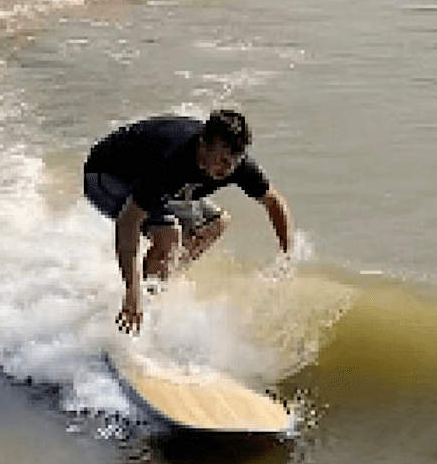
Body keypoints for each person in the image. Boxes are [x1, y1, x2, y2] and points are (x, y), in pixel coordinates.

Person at [83, 108, 294, 334]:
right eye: (222, 160)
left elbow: (273, 202)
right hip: (106, 174)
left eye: (234, 160)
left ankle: (159, 287)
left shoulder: (237, 165)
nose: (228, 169)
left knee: (216, 223)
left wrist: (287, 253)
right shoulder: (171, 159)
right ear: (203, 145)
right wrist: (131, 290)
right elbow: (128, 222)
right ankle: (137, 310)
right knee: (169, 235)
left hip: (154, 183)